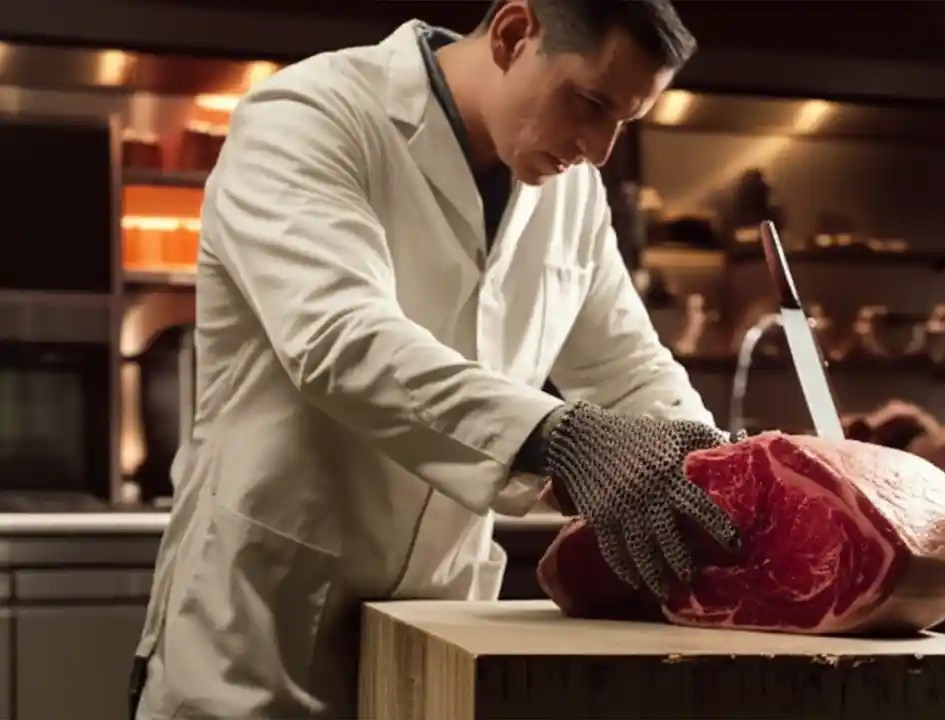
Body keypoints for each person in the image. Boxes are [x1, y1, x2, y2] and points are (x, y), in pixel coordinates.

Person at [129, 1, 741, 717]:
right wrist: (563, 439)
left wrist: (718, 477)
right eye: (589, 102)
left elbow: (629, 369)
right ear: (515, 35)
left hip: (441, 635)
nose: (600, 147)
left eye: (622, 122)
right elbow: (338, 340)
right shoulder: (310, 115)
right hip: (264, 625)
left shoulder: (572, 192)